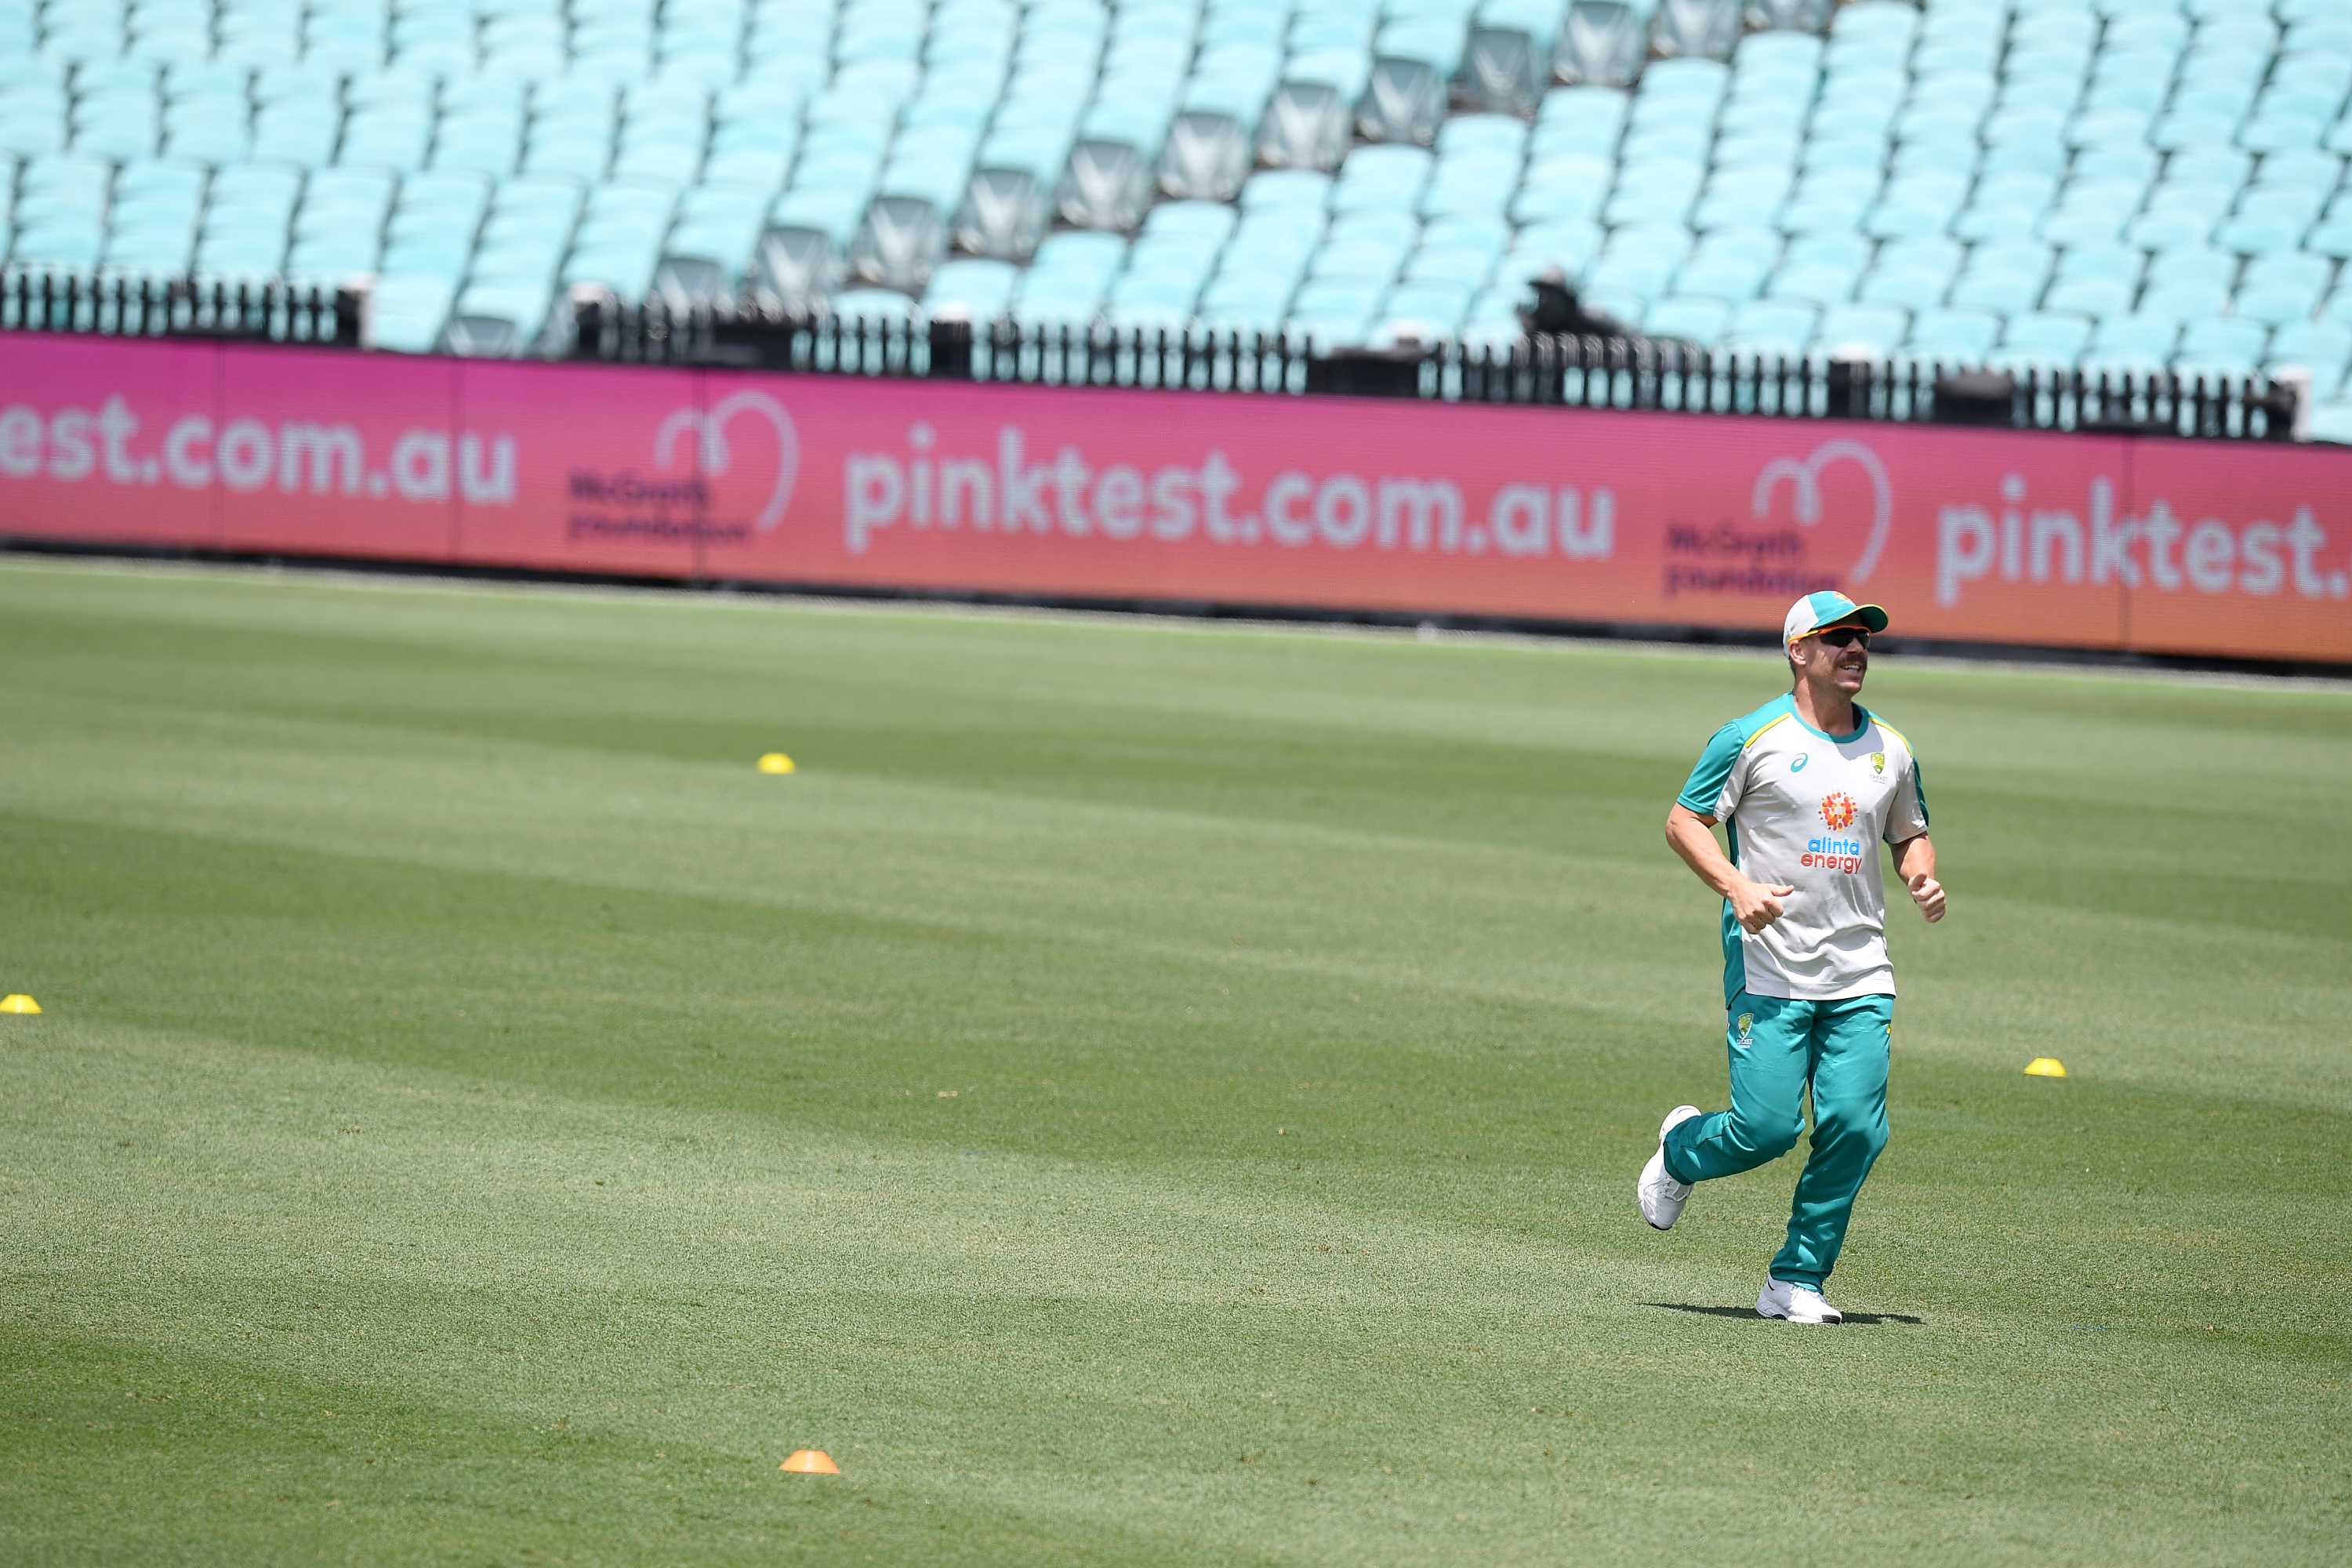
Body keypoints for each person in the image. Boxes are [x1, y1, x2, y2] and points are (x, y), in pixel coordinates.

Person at [1637, 590, 1946, 1324]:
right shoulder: (1752, 737)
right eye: (1838, 638)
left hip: (1860, 969)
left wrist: (1922, 876)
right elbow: (1685, 822)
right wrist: (1736, 886)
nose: (1856, 649)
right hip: (1769, 964)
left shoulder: (1890, 749)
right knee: (1766, 1130)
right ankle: (1683, 1147)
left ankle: (1795, 1278)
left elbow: (1911, 832)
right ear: (1798, 651)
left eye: (1863, 639)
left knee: (1858, 1126)